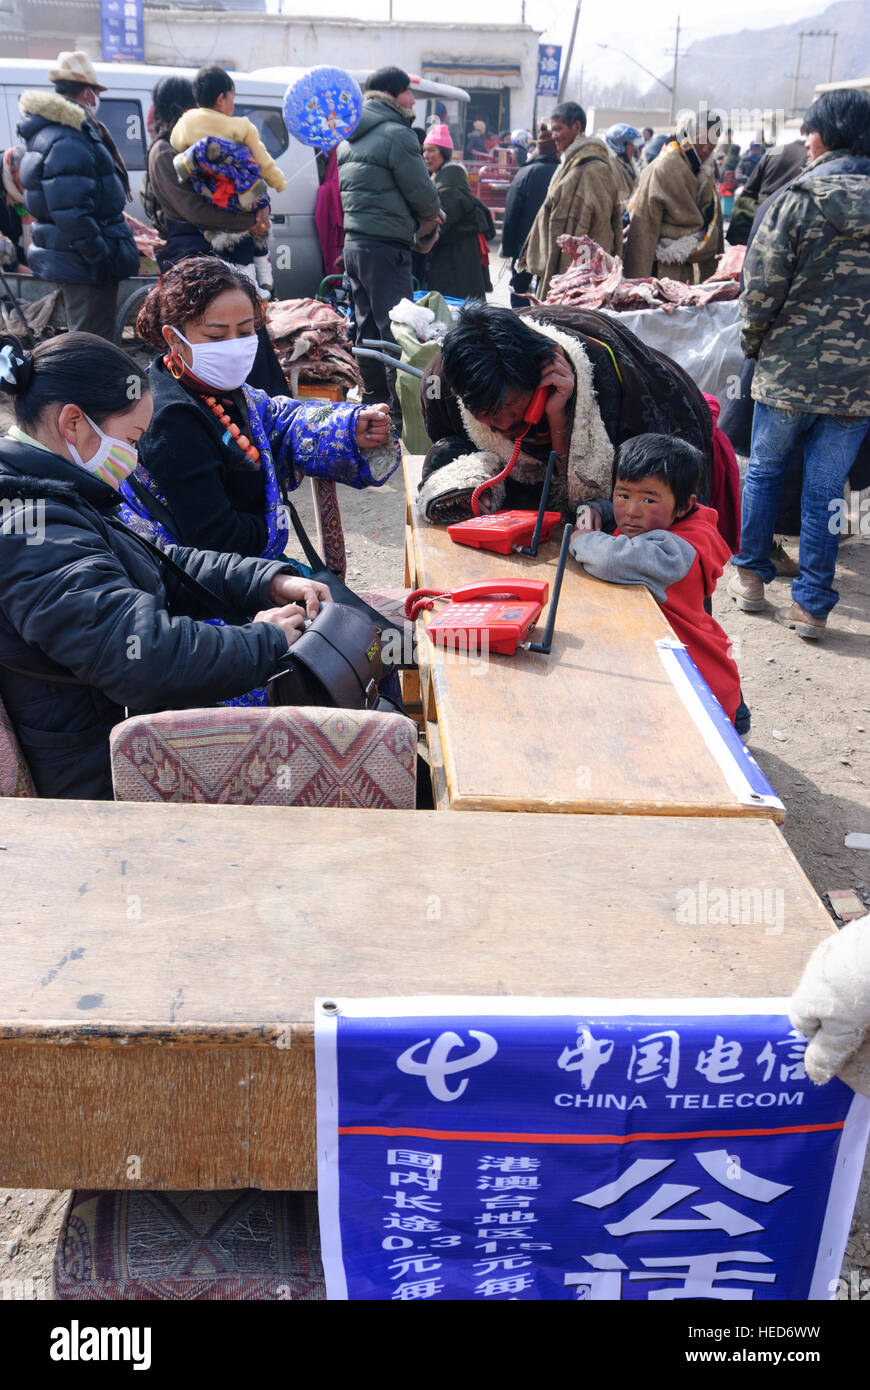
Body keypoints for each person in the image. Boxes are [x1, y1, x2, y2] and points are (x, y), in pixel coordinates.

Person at [0, 332, 333, 799]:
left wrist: (266, 581)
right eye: (132, 438)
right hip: (108, 774)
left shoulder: (55, 493)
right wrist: (265, 640)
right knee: (337, 745)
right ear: (73, 423)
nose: (135, 457)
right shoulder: (32, 530)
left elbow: (159, 562)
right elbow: (142, 655)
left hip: (130, 731)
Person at [122, 257, 399, 559]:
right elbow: (217, 540)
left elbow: (279, 419)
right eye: (216, 336)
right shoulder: (170, 420)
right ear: (173, 338)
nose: (233, 345)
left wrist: (346, 427)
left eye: (244, 332)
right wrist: (275, 523)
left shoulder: (216, 389)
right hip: (212, 585)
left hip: (249, 567)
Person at [727, 88, 870, 639]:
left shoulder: (797, 200)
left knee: (763, 471)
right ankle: (812, 603)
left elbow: (759, 290)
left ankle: (752, 576)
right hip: (856, 386)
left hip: (787, 374)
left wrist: (755, 345)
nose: (806, 143)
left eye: (811, 133)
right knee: (827, 490)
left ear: (824, 136)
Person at [416, 301, 713, 525]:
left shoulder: (613, 379)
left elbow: (638, 492)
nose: (506, 423)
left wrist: (559, 416)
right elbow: (448, 446)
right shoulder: (440, 384)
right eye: (487, 414)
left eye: (513, 404)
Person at [569, 434, 741, 723]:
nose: (632, 512)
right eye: (623, 495)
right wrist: (596, 509)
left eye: (649, 500)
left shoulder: (676, 551)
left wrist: (582, 538)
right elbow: (628, 504)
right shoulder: (669, 517)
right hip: (668, 672)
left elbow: (612, 559)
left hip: (699, 684)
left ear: (685, 506)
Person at [144, 74, 285, 397]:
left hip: (220, 257)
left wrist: (256, 209)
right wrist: (248, 221)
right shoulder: (166, 152)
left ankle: (260, 411)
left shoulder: (199, 146)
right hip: (193, 258)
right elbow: (193, 209)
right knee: (207, 343)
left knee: (248, 339)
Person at [337, 66, 443, 426]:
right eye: (409, 93)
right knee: (397, 329)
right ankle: (400, 412)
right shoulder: (397, 134)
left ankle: (372, 401)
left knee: (365, 329)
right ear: (394, 95)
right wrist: (431, 217)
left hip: (355, 245)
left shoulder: (349, 135)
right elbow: (423, 193)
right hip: (386, 248)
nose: (412, 101)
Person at [16, 50, 138, 339]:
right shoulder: (70, 136)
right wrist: (100, 256)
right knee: (90, 344)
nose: (96, 100)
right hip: (85, 265)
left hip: (76, 261)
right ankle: (87, 386)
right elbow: (72, 212)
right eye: (95, 92)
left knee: (85, 340)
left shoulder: (57, 132)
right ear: (86, 93)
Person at [169, 65, 286, 299]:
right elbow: (262, 161)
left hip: (210, 199)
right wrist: (279, 181)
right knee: (258, 222)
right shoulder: (241, 126)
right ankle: (259, 283)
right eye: (232, 97)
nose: (233, 104)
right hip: (240, 199)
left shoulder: (185, 123)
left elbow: (176, 146)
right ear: (221, 98)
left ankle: (248, 284)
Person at [519, 101, 621, 298]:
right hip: (561, 263)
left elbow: (601, 227)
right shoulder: (570, 163)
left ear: (576, 127)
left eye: (558, 129)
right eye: (552, 130)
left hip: (580, 270)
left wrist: (579, 266)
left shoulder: (594, 168)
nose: (554, 136)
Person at [623, 112, 723, 283]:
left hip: (690, 264)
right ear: (692, 134)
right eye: (702, 139)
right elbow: (643, 226)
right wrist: (637, 282)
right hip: (661, 265)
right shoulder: (665, 166)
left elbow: (714, 219)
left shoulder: (705, 169)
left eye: (713, 142)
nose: (707, 148)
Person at [421, 125, 493, 301]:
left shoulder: (449, 186)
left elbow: (441, 226)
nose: (426, 156)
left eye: (432, 150)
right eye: (424, 150)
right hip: (458, 261)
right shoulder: (443, 179)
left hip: (455, 263)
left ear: (444, 153)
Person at [500, 123, 558, 297]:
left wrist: (509, 249)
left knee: (519, 288)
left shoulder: (525, 172)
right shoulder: (563, 173)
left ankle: (520, 320)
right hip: (553, 245)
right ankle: (541, 322)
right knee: (547, 289)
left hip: (524, 245)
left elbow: (511, 214)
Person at [604, 123, 641, 215]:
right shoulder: (610, 165)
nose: (634, 148)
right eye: (630, 144)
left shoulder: (628, 164)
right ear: (619, 144)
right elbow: (615, 203)